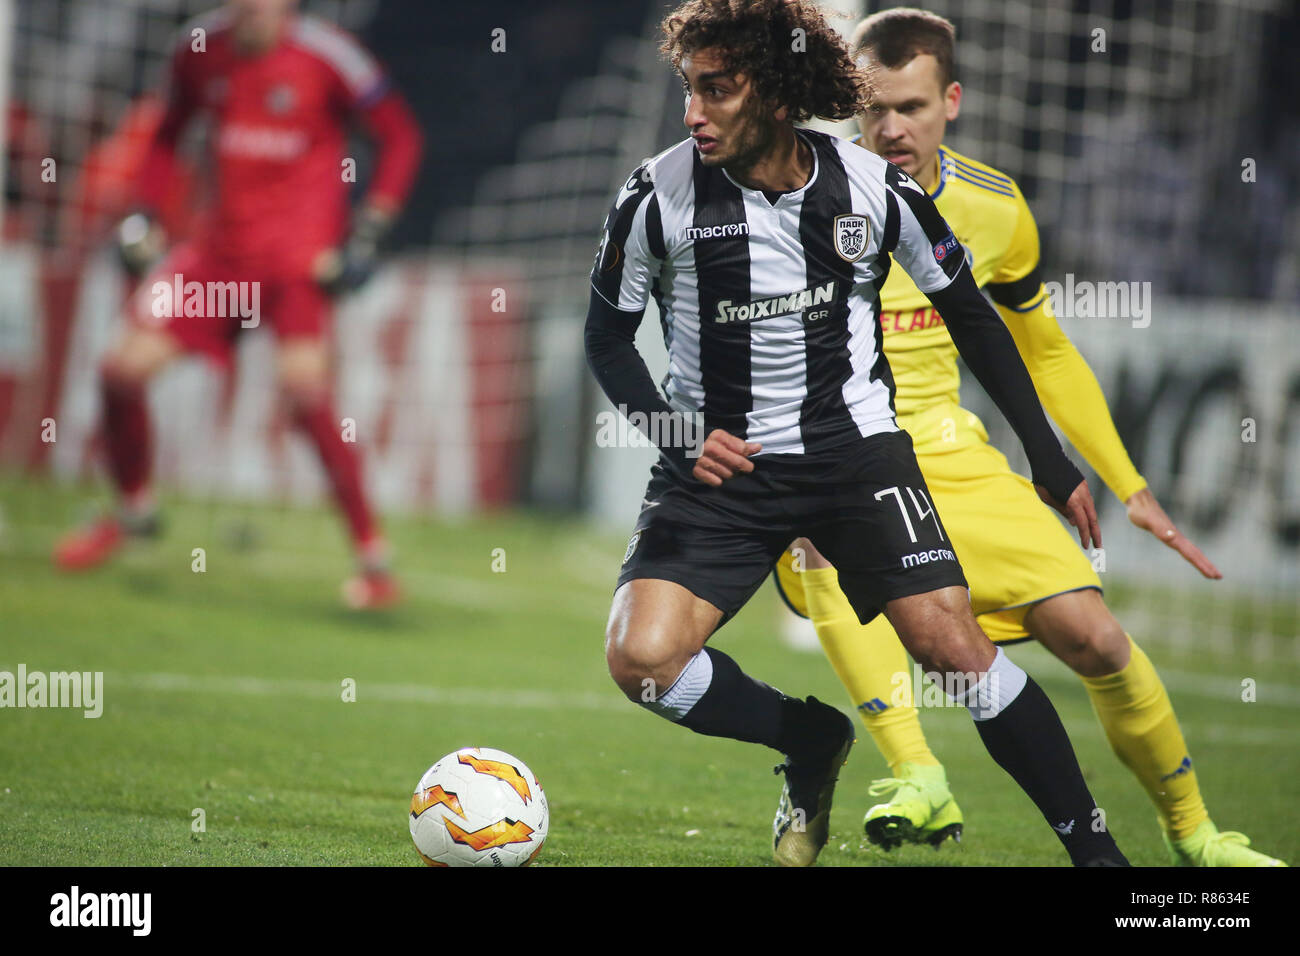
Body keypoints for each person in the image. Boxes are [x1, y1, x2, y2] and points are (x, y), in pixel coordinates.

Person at [586, 0, 1127, 867]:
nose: (692, 113)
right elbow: (606, 336)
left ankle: (1102, 861)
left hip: (854, 454)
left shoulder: (872, 189)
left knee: (953, 649)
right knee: (642, 660)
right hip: (719, 466)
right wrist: (674, 430)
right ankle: (808, 738)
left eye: (714, 90)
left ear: (770, 92)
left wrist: (1047, 454)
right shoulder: (658, 194)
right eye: (689, 89)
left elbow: (977, 320)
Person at [772, 7, 1284, 867]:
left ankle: (1197, 837)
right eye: (875, 110)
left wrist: (1130, 487)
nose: (893, 128)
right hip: (841, 455)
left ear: (954, 100)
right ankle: (915, 775)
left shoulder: (995, 209)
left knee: (1097, 638)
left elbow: (1042, 351)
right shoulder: (804, 199)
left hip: (955, 456)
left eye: (913, 107)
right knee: (822, 543)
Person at [52, 0, 422, 609]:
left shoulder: (330, 57)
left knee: (305, 396)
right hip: (216, 258)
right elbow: (168, 133)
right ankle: (133, 509)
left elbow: (400, 135)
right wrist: (144, 212)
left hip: (297, 265)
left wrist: (370, 230)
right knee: (120, 370)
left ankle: (373, 559)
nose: (250, 8)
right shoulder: (197, 48)